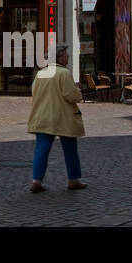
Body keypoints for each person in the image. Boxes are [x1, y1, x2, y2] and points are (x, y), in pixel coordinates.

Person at [26, 43, 87, 193]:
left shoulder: (41, 73)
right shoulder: (63, 73)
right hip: (62, 116)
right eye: (66, 55)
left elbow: (34, 92)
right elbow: (71, 95)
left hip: (43, 116)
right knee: (70, 149)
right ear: (59, 57)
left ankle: (36, 180)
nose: (68, 57)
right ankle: (73, 179)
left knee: (41, 149)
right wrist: (78, 90)